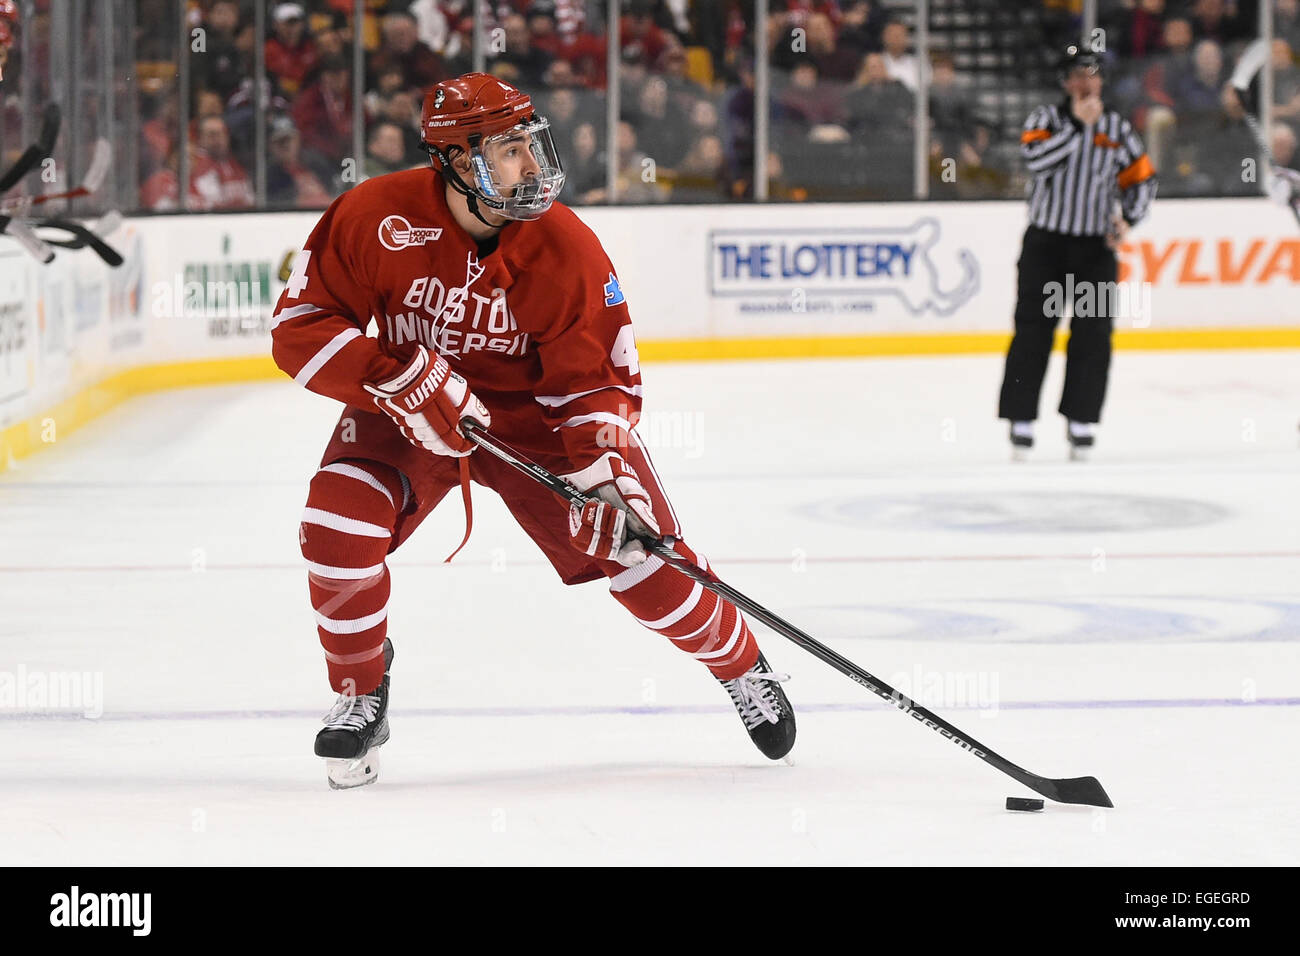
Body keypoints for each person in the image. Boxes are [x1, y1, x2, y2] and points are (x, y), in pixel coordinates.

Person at [269, 73, 796, 789]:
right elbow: (299, 329)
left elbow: (598, 381)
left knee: (644, 566)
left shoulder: (565, 246)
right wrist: (391, 377)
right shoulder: (373, 216)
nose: (532, 165)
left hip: (535, 424)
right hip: (410, 405)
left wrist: (603, 474)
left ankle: (742, 666)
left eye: (531, 143)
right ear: (456, 161)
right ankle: (362, 689)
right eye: (509, 150)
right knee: (335, 525)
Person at [997, 45, 1157, 460]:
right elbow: (1037, 162)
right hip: (1046, 246)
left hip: (1093, 250)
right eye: (1077, 75)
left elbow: (1143, 178)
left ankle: (1081, 420)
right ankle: (1021, 419)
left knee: (1093, 334)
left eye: (1092, 74)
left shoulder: (1117, 130)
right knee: (1033, 330)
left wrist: (1130, 219)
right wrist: (1077, 131)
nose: (1086, 83)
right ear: (1065, 83)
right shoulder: (1045, 121)